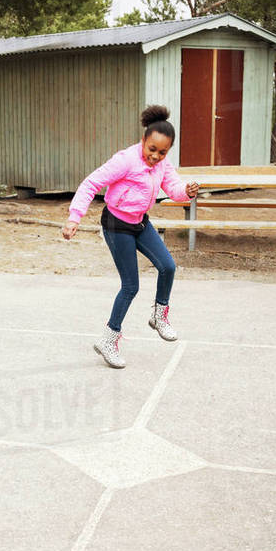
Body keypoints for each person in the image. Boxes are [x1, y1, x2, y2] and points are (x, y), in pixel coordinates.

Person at [62, 105, 201, 368]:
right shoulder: (125, 160)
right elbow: (91, 183)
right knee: (131, 286)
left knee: (168, 266)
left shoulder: (162, 163)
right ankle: (108, 339)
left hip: (139, 222)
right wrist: (74, 217)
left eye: (162, 152)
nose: (156, 157)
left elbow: (172, 186)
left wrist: (187, 190)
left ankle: (159, 316)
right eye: (152, 150)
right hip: (116, 224)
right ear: (143, 141)